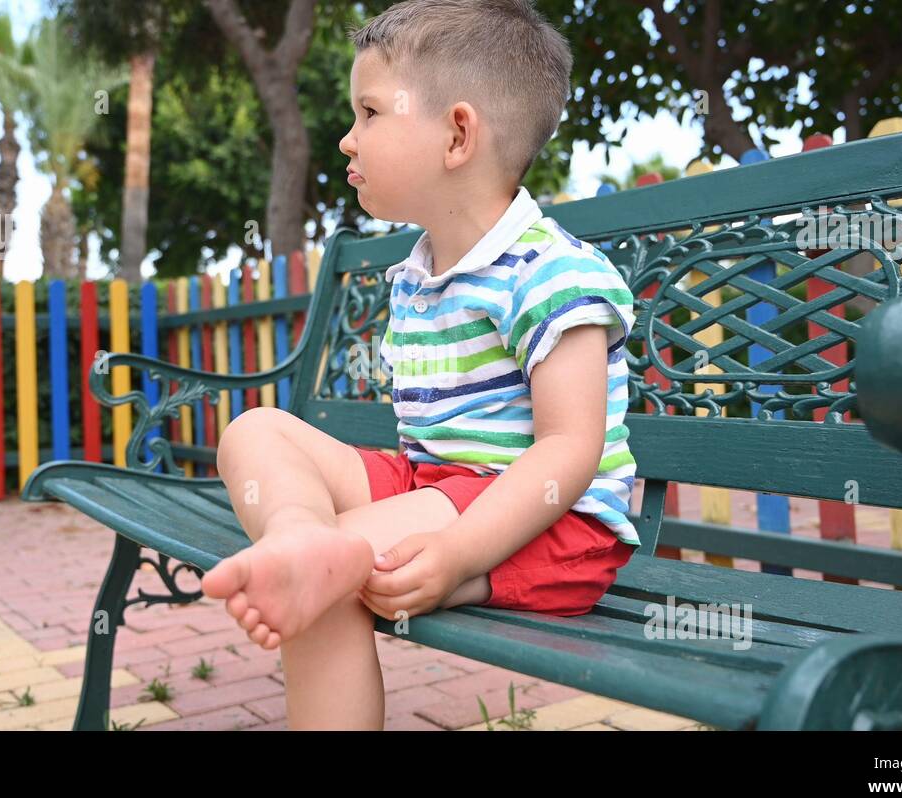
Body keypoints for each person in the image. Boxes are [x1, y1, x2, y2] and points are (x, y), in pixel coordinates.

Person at [199, 0, 640, 730]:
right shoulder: (419, 271)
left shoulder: (552, 272)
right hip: (436, 482)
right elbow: (430, 459)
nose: (347, 138)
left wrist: (459, 549)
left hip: (546, 521)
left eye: (369, 113)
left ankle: (318, 558)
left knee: (330, 584)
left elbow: (571, 449)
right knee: (256, 430)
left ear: (458, 134)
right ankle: (300, 534)